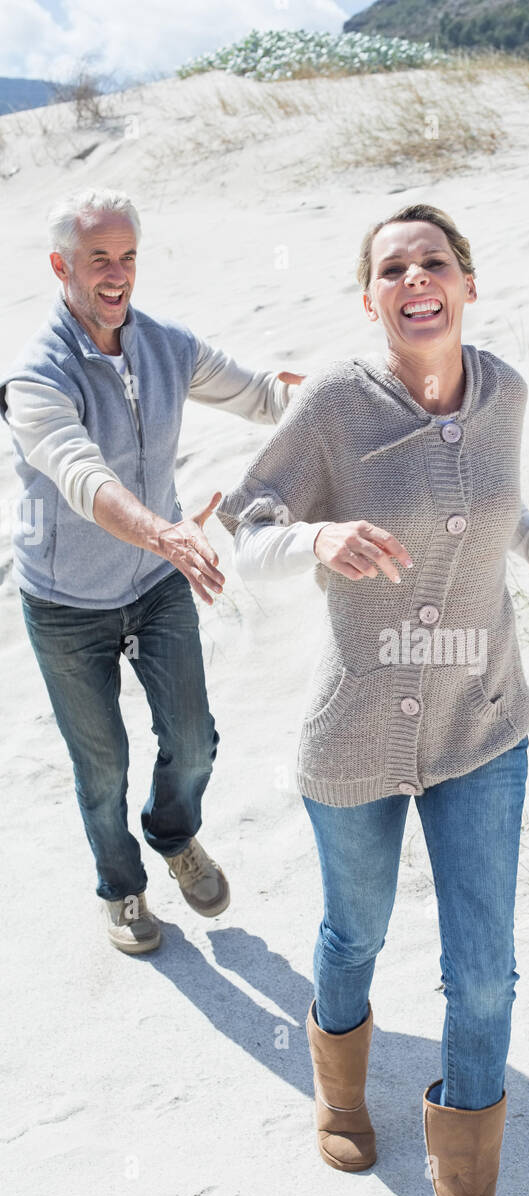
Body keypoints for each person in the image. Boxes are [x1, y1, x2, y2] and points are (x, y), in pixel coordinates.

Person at [216, 204, 529, 1196]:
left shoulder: (506, 394)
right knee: (355, 930)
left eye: (431, 260)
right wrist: (315, 536)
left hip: (481, 719)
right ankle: (341, 1088)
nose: (414, 277)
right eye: (392, 268)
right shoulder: (335, 408)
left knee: (481, 974)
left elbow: (496, 507)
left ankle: (468, 1191)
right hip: (356, 729)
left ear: (465, 283)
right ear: (371, 298)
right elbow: (243, 532)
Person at [0, 187, 304, 956]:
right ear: (60, 266)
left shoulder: (167, 344)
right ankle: (123, 888)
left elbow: (264, 396)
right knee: (102, 766)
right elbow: (81, 475)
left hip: (157, 583)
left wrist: (349, 389)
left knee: (194, 740)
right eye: (98, 257)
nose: (117, 273)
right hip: (67, 601)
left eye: (128, 256)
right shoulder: (34, 377)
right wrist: (164, 531)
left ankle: (174, 836)